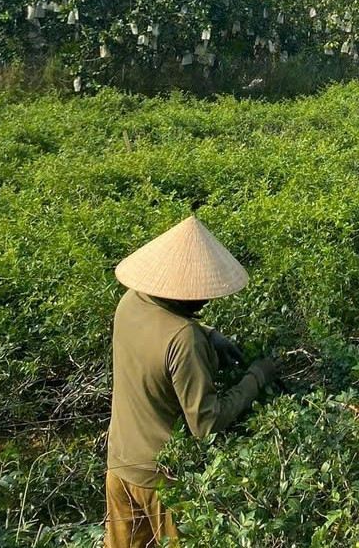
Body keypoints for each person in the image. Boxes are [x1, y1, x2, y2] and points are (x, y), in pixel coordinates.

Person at [104, 216, 278, 547]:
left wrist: (209, 334)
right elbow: (206, 422)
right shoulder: (184, 339)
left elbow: (156, 332)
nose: (205, 301)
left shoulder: (131, 301)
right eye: (199, 294)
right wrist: (256, 378)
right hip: (160, 480)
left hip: (119, 465)